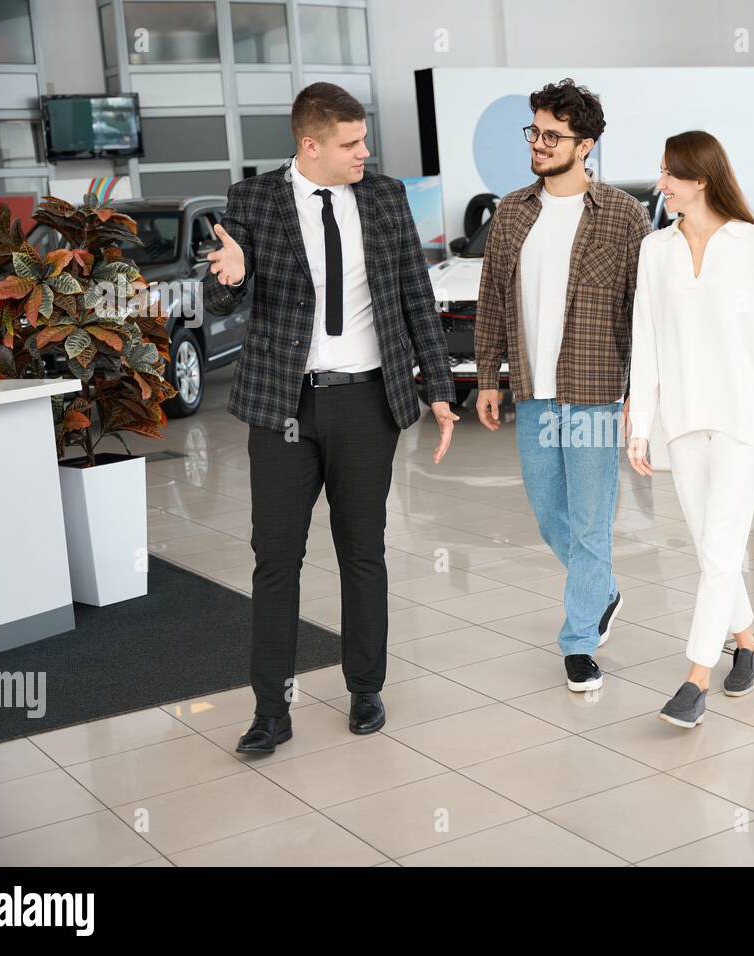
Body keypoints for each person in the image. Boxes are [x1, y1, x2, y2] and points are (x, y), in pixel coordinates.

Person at [202, 82, 459, 754]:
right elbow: (222, 295)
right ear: (309, 145)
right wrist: (232, 274)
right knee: (275, 559)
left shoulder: (384, 197)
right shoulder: (254, 198)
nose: (363, 152)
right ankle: (270, 711)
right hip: (282, 405)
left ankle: (365, 688)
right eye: (351, 143)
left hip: (367, 401)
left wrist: (438, 388)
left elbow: (414, 292)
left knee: (363, 551)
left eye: (363, 139)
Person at [474, 78, 651, 692]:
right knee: (550, 515)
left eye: (553, 135)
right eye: (535, 131)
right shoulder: (512, 211)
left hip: (594, 390)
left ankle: (579, 642)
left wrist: (640, 394)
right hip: (534, 390)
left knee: (590, 520)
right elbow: (492, 300)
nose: (539, 143)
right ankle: (603, 590)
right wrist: (488, 377)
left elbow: (642, 312)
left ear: (586, 144)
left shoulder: (623, 216)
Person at [626, 130, 754, 729]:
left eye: (669, 174)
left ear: (700, 178)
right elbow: (645, 339)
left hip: (741, 417)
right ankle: (748, 645)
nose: (661, 185)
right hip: (681, 418)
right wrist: (640, 423)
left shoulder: (753, 244)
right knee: (711, 547)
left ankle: (695, 678)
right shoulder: (655, 250)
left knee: (720, 548)